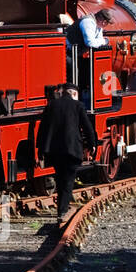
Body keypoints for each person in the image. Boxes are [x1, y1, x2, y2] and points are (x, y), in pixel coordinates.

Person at [37, 82, 97, 227]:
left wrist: (40, 151)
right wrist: (92, 144)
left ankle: (62, 209)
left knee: (60, 179)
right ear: (74, 94)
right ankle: (62, 211)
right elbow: (87, 127)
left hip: (55, 151)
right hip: (72, 150)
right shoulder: (78, 106)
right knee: (68, 181)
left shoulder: (51, 106)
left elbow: (42, 129)